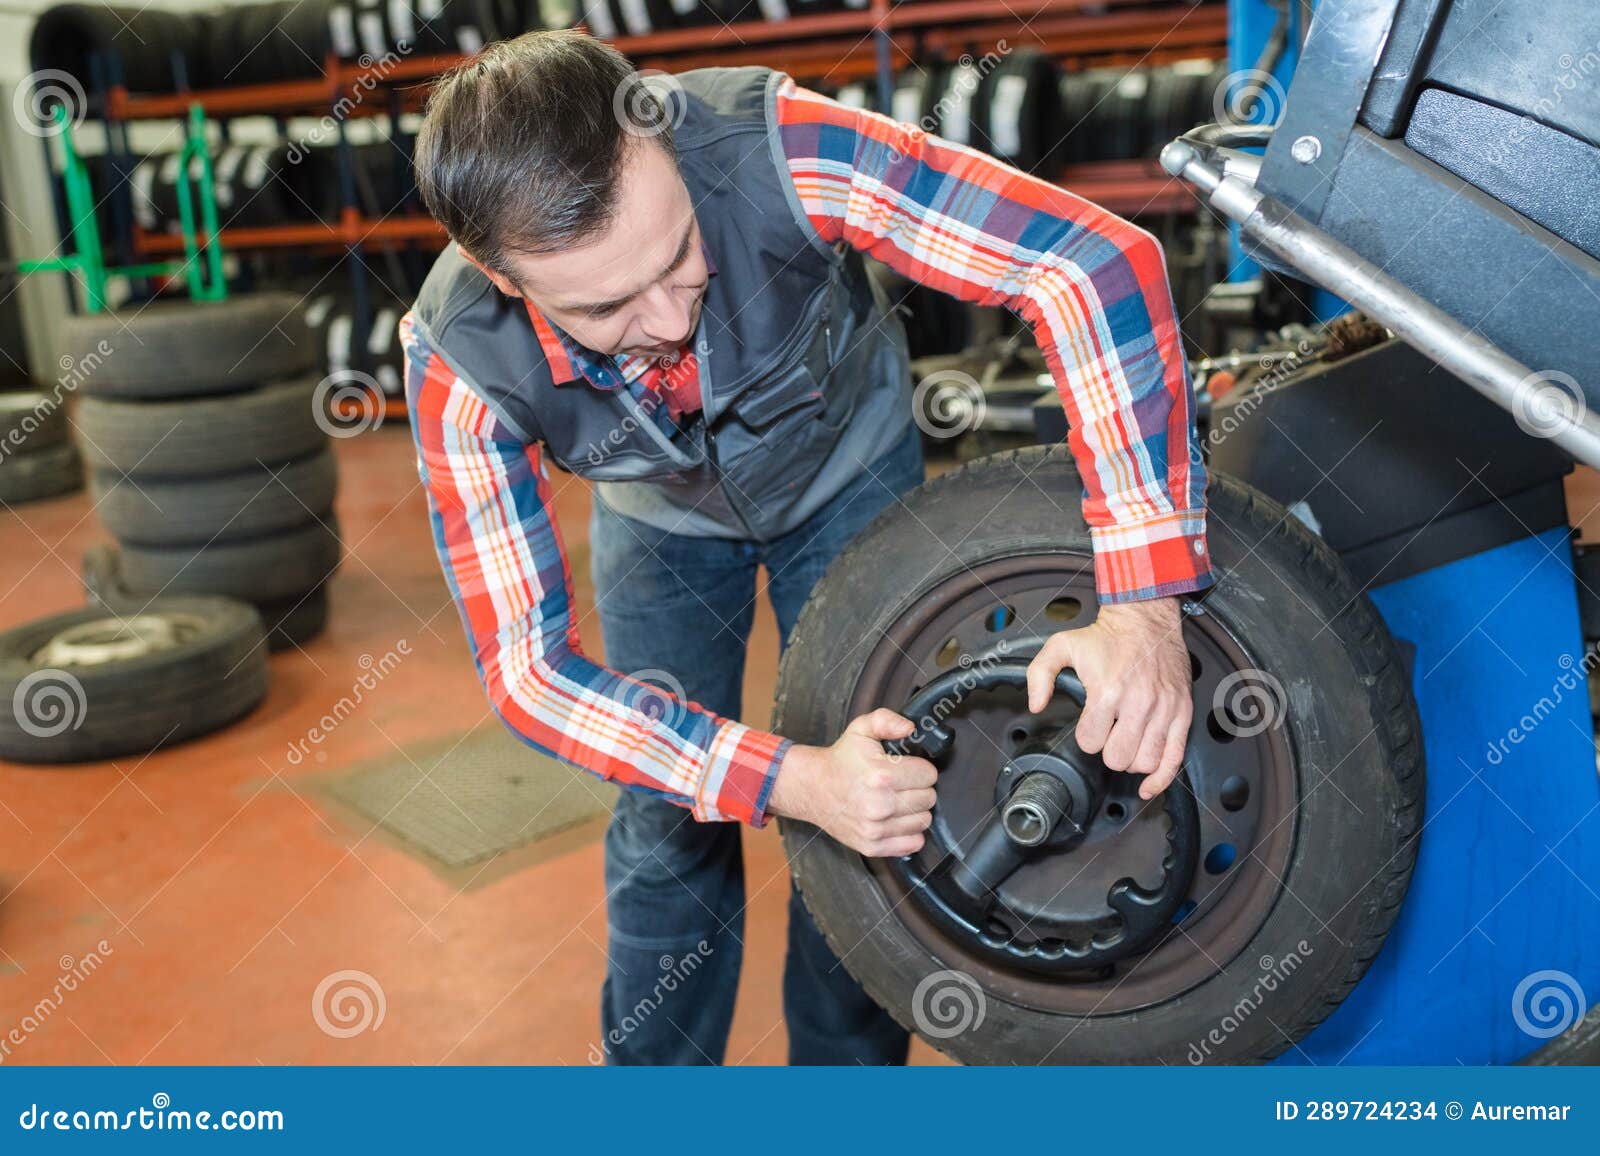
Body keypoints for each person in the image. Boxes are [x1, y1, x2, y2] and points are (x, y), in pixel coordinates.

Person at [399, 29, 1211, 1065]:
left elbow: (1089, 263)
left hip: (846, 467)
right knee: (664, 825)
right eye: (605, 306)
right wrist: (785, 778)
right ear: (498, 273)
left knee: (883, 786)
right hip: (658, 517)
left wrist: (1141, 600)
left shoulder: (776, 146)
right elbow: (527, 674)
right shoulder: (459, 361)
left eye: (680, 249)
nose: (671, 313)